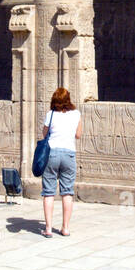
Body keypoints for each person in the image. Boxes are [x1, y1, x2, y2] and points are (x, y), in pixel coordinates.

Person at [41, 87, 82, 238]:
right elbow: (78, 135)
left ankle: (49, 228)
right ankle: (65, 228)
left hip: (52, 153)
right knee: (67, 192)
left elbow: (44, 134)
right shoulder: (76, 114)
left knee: (49, 192)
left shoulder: (50, 114)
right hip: (69, 153)